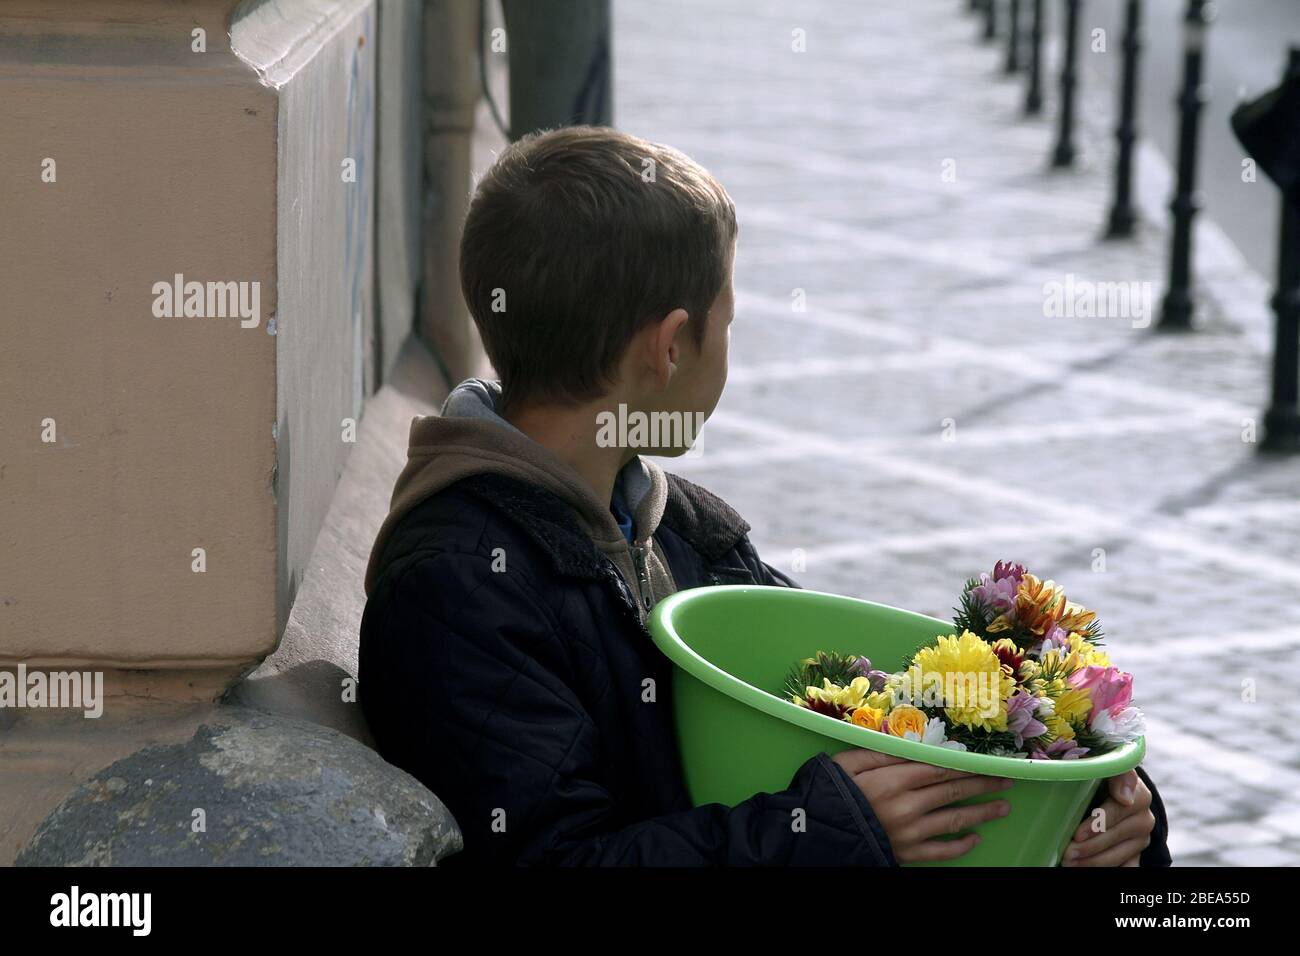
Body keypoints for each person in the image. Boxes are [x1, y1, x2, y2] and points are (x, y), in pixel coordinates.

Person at [359, 125, 1170, 867]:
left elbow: (857, 704)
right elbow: (554, 860)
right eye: (730, 322)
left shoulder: (678, 526)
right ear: (669, 347)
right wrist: (826, 832)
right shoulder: (461, 583)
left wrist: (1086, 803)